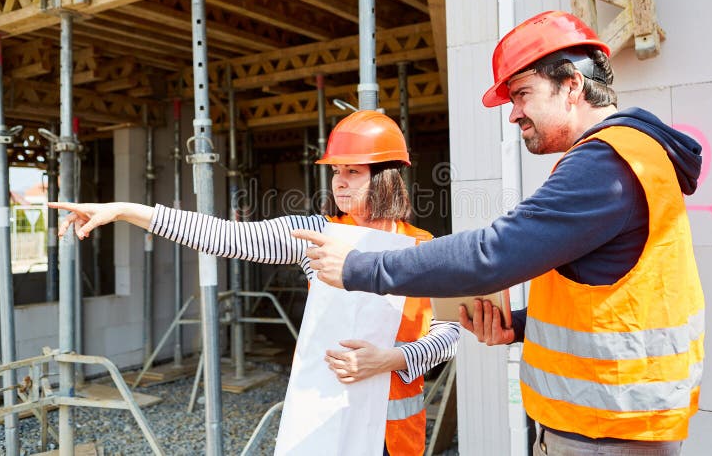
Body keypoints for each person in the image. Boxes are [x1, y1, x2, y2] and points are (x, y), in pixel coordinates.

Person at [293, 10, 705, 456]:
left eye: (523, 94)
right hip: (606, 423)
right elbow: (610, 295)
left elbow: (491, 254)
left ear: (572, 86)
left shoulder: (606, 165)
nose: (514, 114)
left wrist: (358, 266)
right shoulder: (624, 158)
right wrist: (519, 327)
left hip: (607, 430)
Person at [50, 110, 459, 456]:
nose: (339, 182)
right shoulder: (317, 235)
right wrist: (126, 210)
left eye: (353, 171)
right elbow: (227, 236)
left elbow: (451, 332)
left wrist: (392, 359)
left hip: (395, 438)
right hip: (326, 427)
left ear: (387, 177)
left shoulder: (422, 249)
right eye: (336, 171)